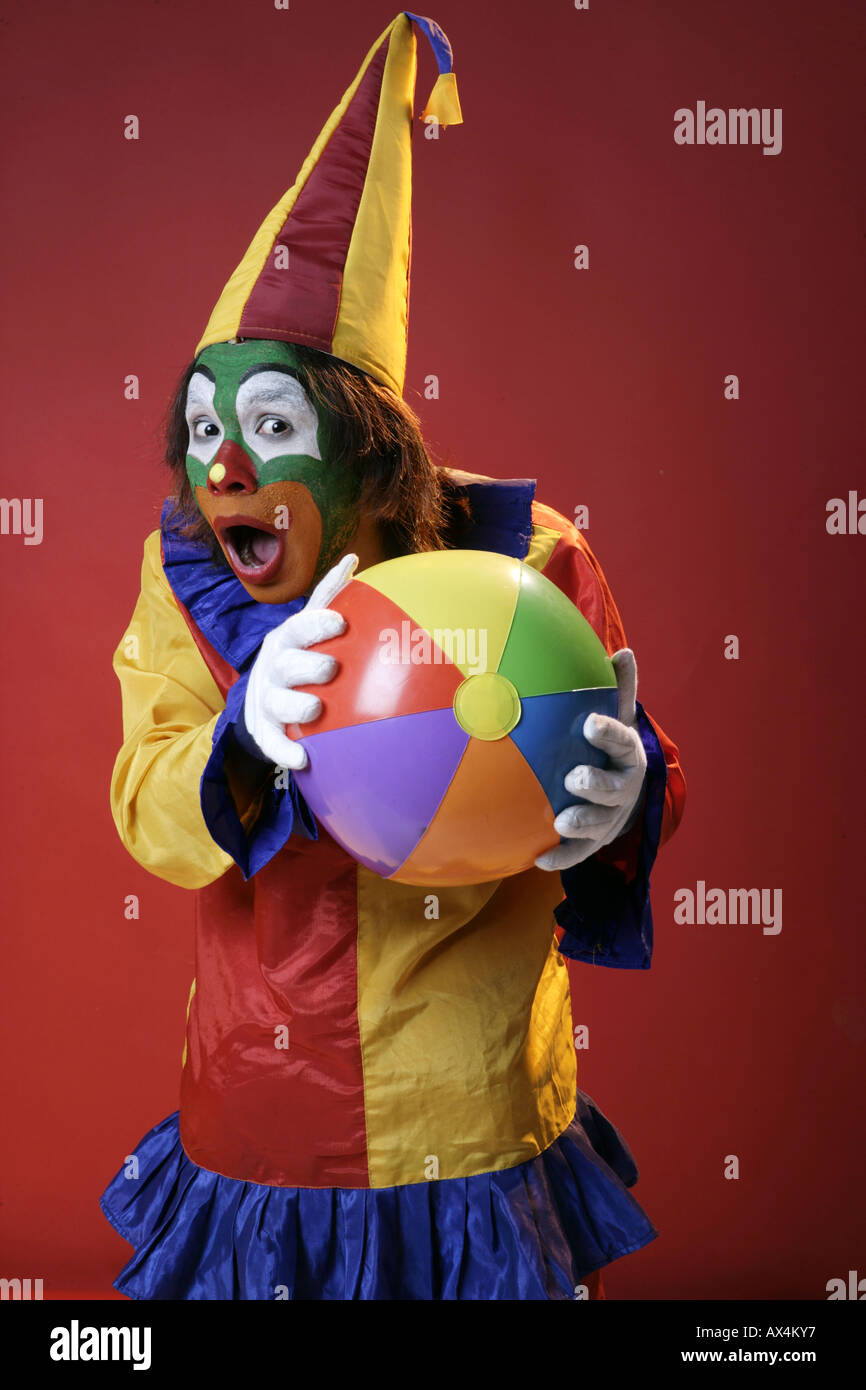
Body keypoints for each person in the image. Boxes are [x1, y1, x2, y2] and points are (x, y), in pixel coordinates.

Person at [100, 12, 686, 1301]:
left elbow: (624, 784)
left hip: (476, 1115)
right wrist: (246, 731)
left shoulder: (531, 560)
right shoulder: (185, 583)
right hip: (262, 1116)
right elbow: (146, 796)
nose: (225, 470)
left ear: (368, 444)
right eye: (203, 428)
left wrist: (626, 790)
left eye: (265, 424)